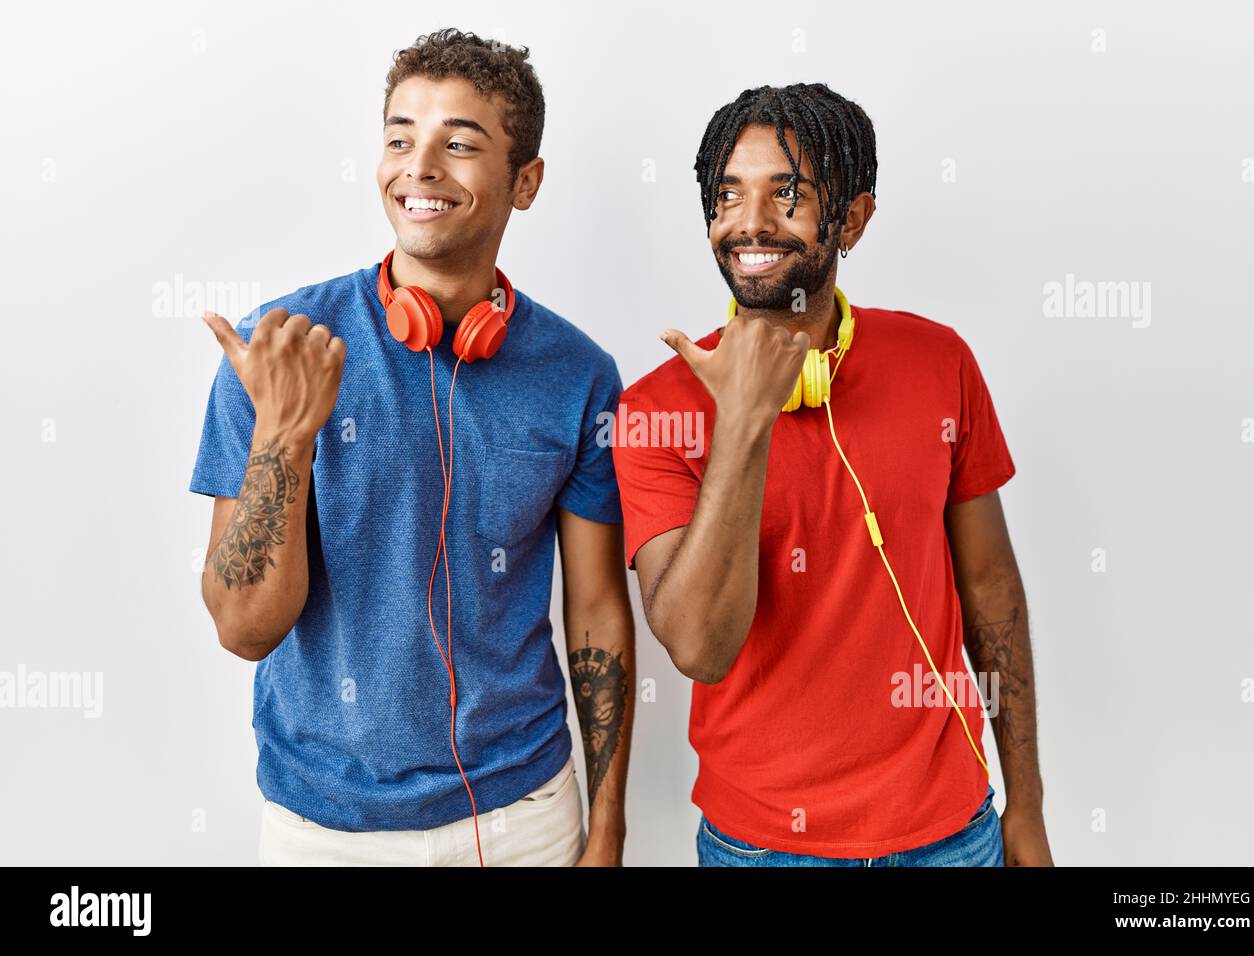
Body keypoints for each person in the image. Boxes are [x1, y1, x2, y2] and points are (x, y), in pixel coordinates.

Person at [190, 29, 634, 867]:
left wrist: (607, 828)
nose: (418, 166)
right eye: (399, 138)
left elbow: (599, 608)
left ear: (526, 181)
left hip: (527, 819)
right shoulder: (278, 350)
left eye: (458, 143)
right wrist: (285, 438)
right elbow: (245, 629)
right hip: (323, 829)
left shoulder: (579, 375)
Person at [610, 83, 1053, 866]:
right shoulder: (654, 411)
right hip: (761, 848)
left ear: (851, 219)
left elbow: (991, 589)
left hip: (955, 833)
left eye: (788, 194)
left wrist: (1028, 809)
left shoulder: (940, 362)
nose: (750, 222)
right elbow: (699, 648)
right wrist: (744, 423)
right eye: (728, 195)